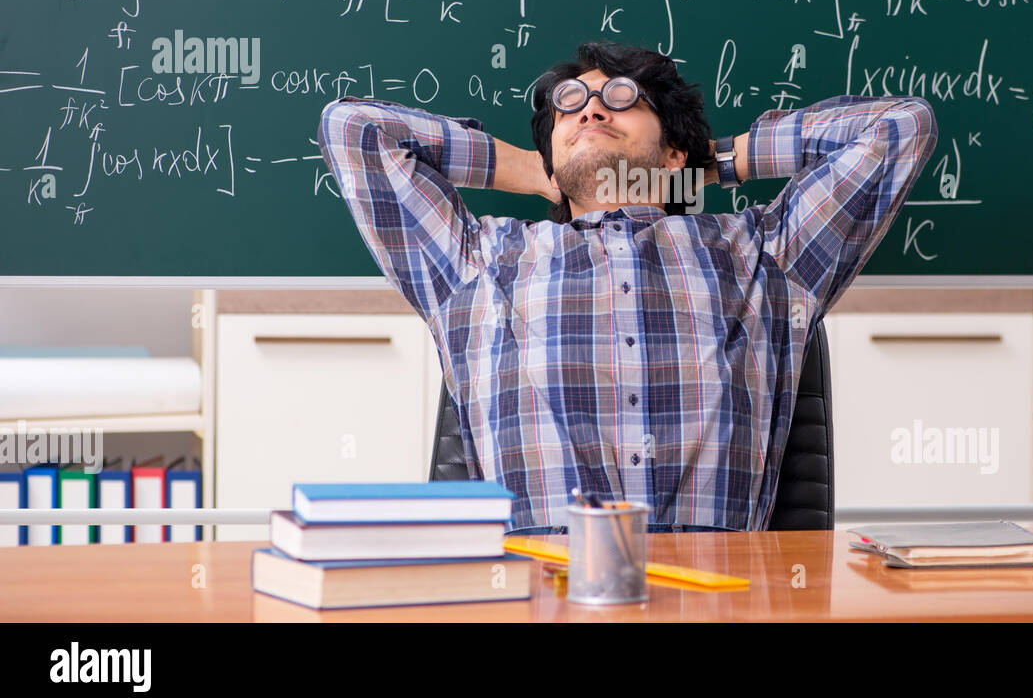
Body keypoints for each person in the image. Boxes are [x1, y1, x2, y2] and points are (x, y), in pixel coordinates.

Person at [317, 41, 937, 534]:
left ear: (671, 152)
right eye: (570, 105)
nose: (589, 109)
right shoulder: (476, 260)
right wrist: (537, 171)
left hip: (719, 595)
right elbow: (354, 130)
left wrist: (707, 165)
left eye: (620, 99)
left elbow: (898, 128)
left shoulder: (766, 254)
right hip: (540, 594)